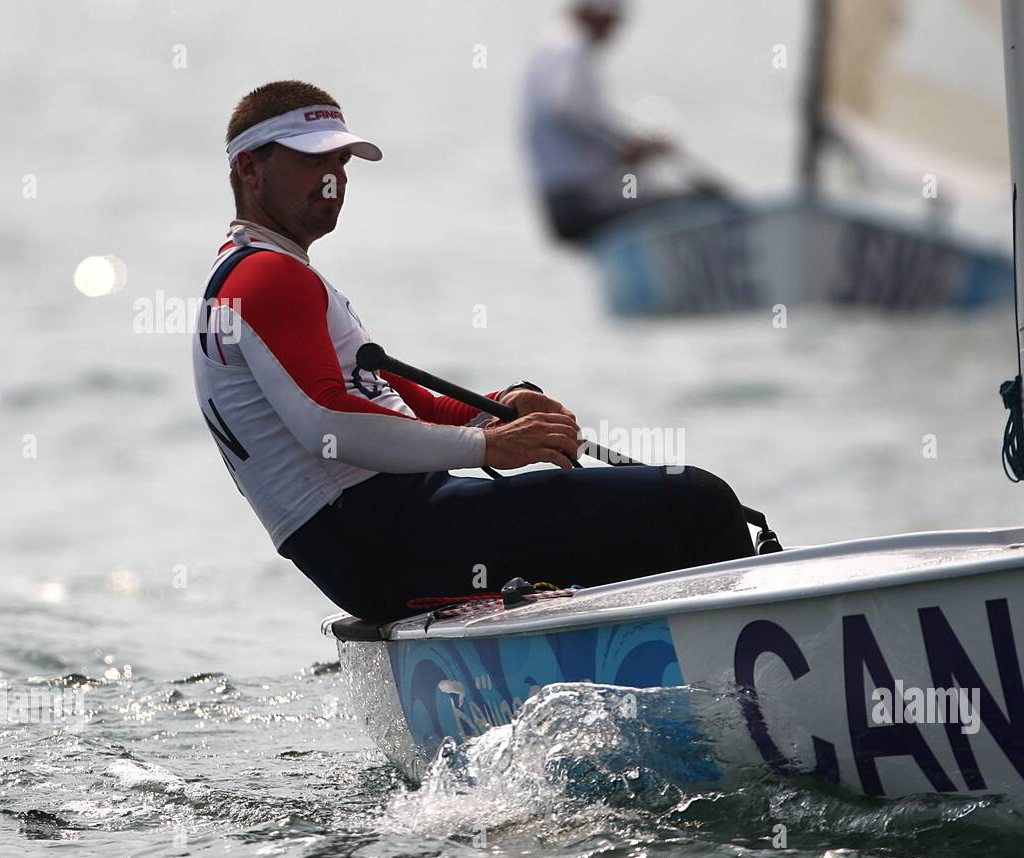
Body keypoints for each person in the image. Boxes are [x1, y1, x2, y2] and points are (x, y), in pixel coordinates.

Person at [193, 80, 754, 623]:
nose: (334, 177)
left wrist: (503, 406)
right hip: (385, 538)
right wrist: (491, 444)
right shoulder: (266, 276)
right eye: (314, 160)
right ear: (250, 168)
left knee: (645, 516)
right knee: (697, 502)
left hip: (390, 535)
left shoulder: (268, 273)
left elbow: (406, 405)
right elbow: (327, 421)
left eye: (342, 162)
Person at [523, 0, 714, 242]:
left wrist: (631, 146)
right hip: (579, 202)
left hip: (566, 202)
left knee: (655, 194)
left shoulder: (552, 42)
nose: (613, 32)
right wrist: (625, 147)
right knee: (699, 202)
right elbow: (566, 108)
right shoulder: (570, 47)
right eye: (611, 22)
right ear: (595, 15)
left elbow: (573, 113)